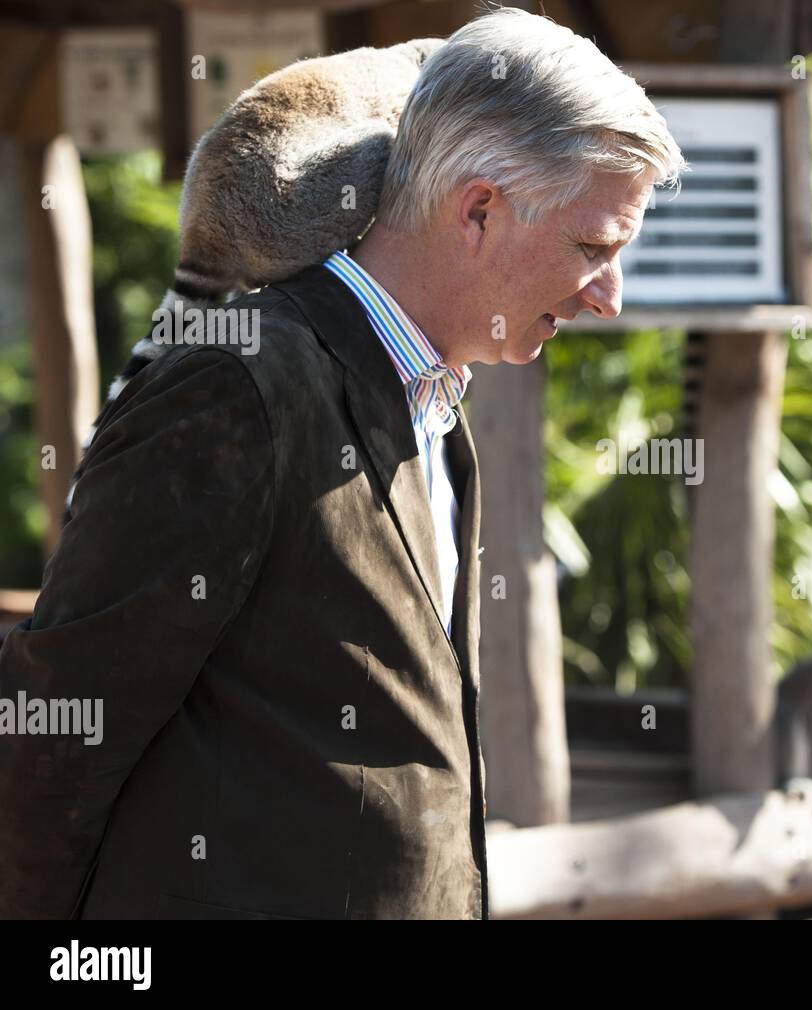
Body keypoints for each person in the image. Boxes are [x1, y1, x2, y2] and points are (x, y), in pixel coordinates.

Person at [0, 7, 684, 919]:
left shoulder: (434, 404)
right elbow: (60, 730)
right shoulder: (237, 388)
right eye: (594, 248)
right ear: (477, 209)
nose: (610, 296)